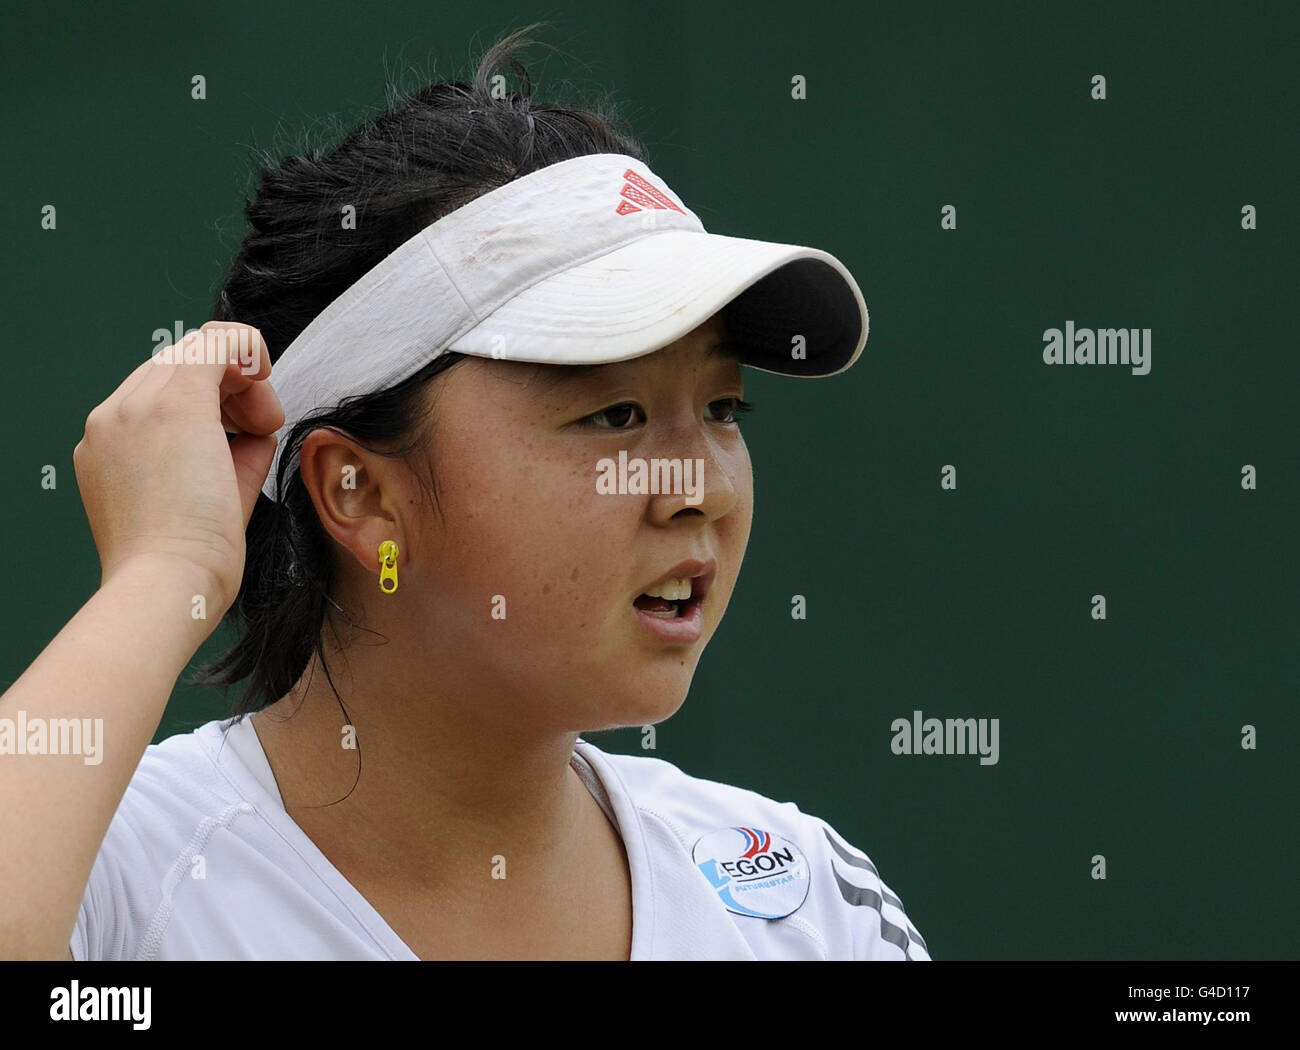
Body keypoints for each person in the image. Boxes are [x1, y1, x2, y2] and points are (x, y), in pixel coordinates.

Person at [0, 25, 930, 961]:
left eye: (724, 407)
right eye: (612, 415)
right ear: (356, 492)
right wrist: (165, 570)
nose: (699, 489)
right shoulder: (114, 887)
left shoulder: (807, 908)